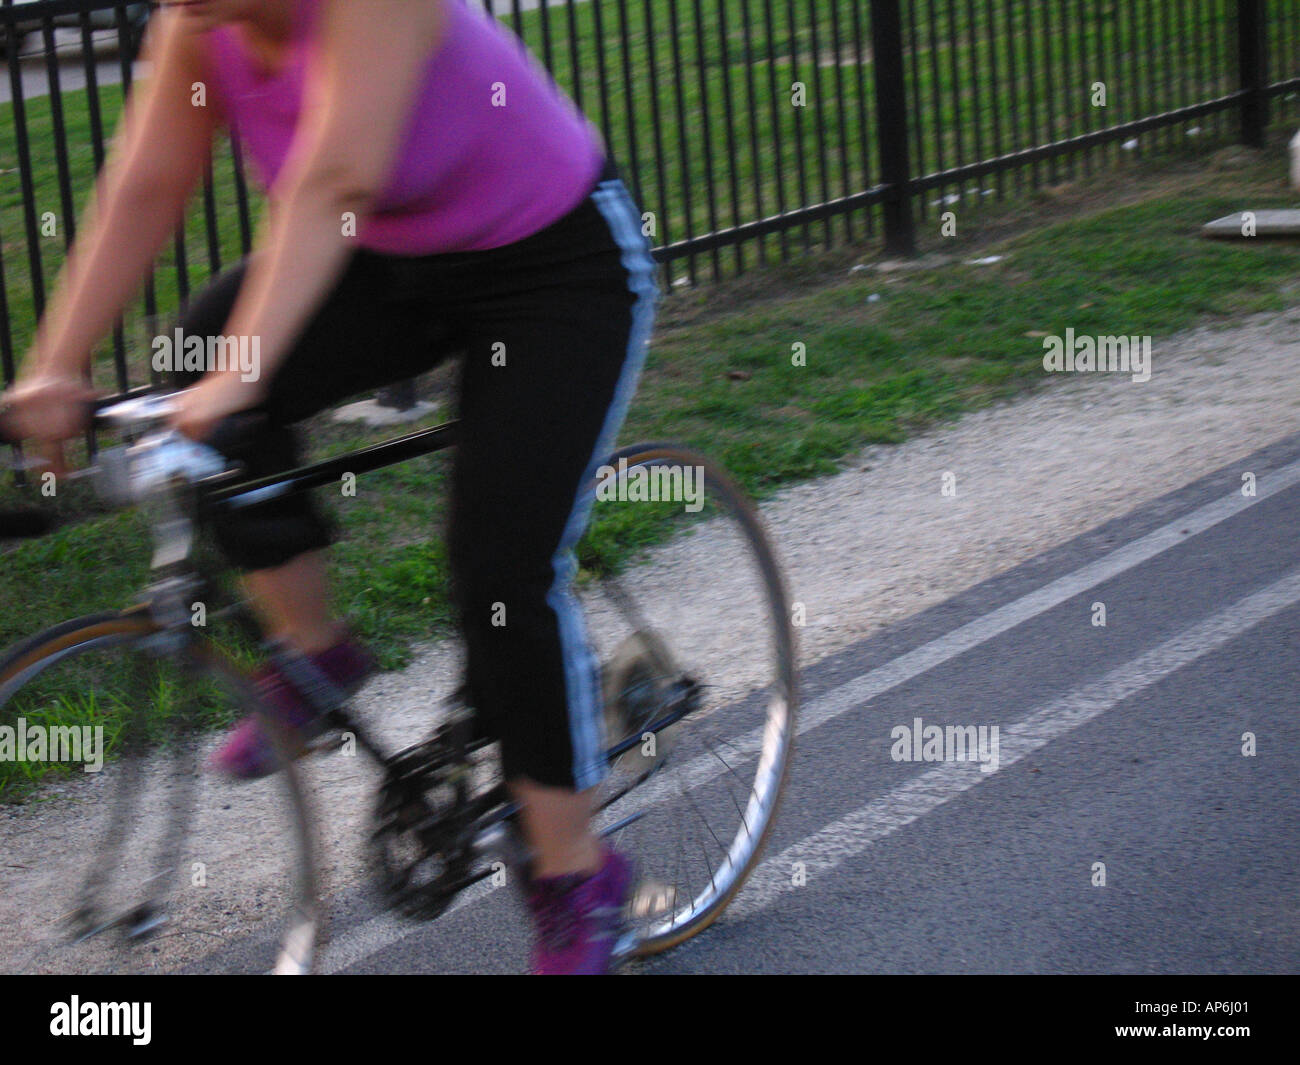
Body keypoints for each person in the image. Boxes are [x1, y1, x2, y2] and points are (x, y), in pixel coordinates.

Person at [0, 0, 658, 976]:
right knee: (201, 356)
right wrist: (56, 365)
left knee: (502, 571)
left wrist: (245, 375)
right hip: (395, 265)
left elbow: (336, 174)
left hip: (552, 267)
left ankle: (578, 880)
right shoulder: (200, 25)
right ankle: (315, 652)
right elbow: (144, 185)